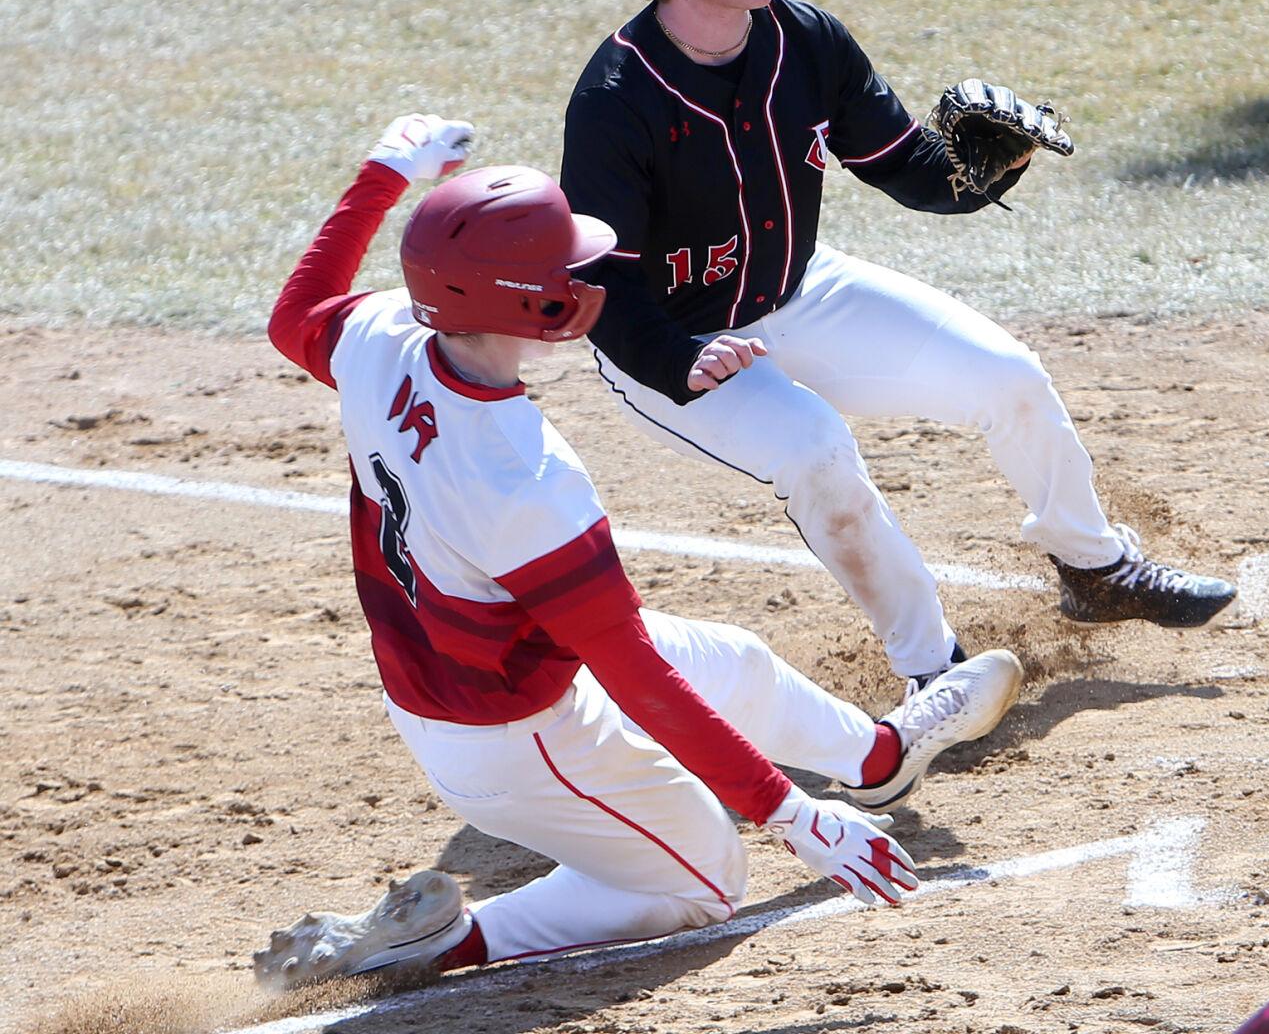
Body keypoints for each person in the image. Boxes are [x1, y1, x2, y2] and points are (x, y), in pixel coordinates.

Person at [252, 114, 1023, 987]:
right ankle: (442, 941)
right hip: (509, 730)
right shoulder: (524, 481)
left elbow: (293, 314)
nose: (586, 272)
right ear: (525, 298)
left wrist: (386, 171)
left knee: (734, 663)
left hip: (466, 662)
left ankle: (881, 761)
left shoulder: (383, 337)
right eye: (565, 265)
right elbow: (633, 679)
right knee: (702, 882)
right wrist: (795, 817)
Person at [559, 0, 1236, 693]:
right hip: (671, 341)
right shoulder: (616, 101)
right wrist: (677, 360)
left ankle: (1096, 570)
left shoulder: (806, 41)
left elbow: (909, 169)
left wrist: (992, 167)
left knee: (1009, 376)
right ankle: (935, 673)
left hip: (799, 291)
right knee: (816, 451)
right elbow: (599, 285)